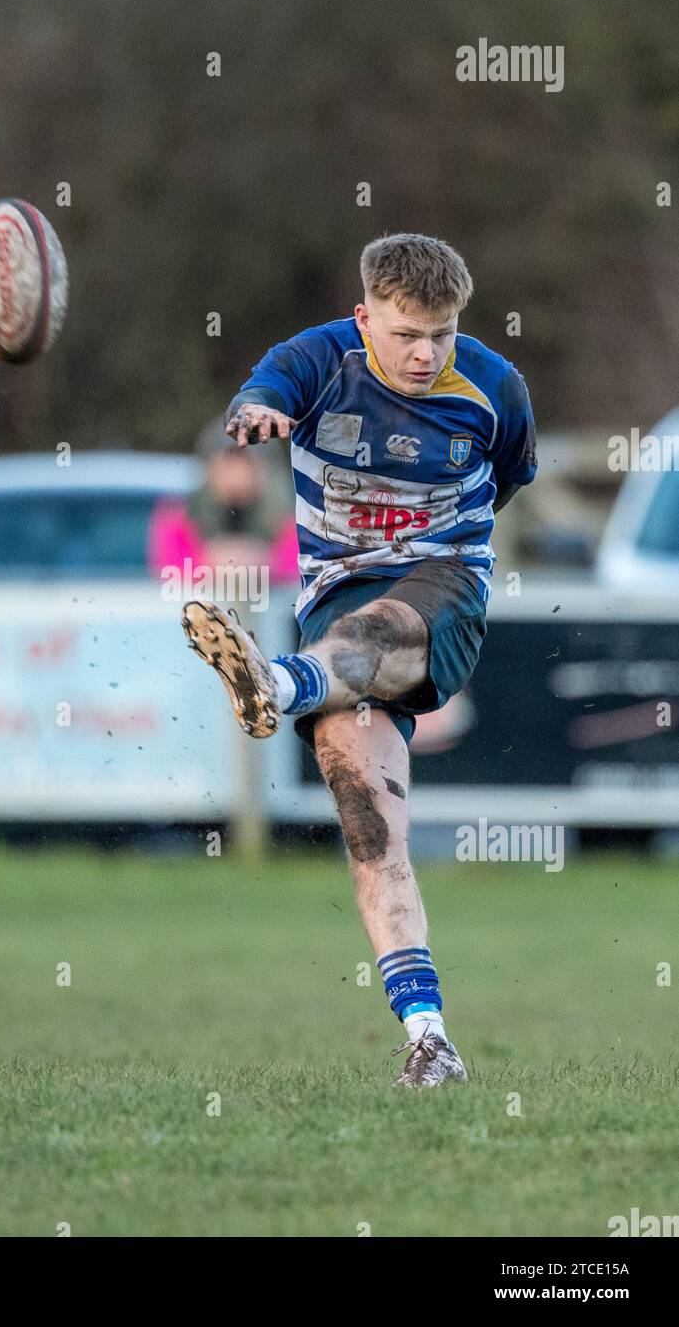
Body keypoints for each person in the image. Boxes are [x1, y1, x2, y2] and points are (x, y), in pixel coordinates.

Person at [181, 233, 537, 1087]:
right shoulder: (317, 361)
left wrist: (442, 534)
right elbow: (262, 393)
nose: (425, 355)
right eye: (406, 334)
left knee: (379, 628)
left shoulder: (492, 387)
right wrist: (259, 416)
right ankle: (428, 1037)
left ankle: (277, 681)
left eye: (441, 335)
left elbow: (513, 475)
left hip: (443, 586)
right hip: (332, 599)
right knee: (370, 828)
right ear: (362, 317)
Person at [148, 419, 299, 583]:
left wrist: (266, 563)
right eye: (228, 465)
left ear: (264, 470)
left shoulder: (289, 517)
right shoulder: (181, 515)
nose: (237, 477)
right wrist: (210, 563)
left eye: (246, 465)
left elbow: (305, 569)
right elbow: (167, 571)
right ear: (209, 468)